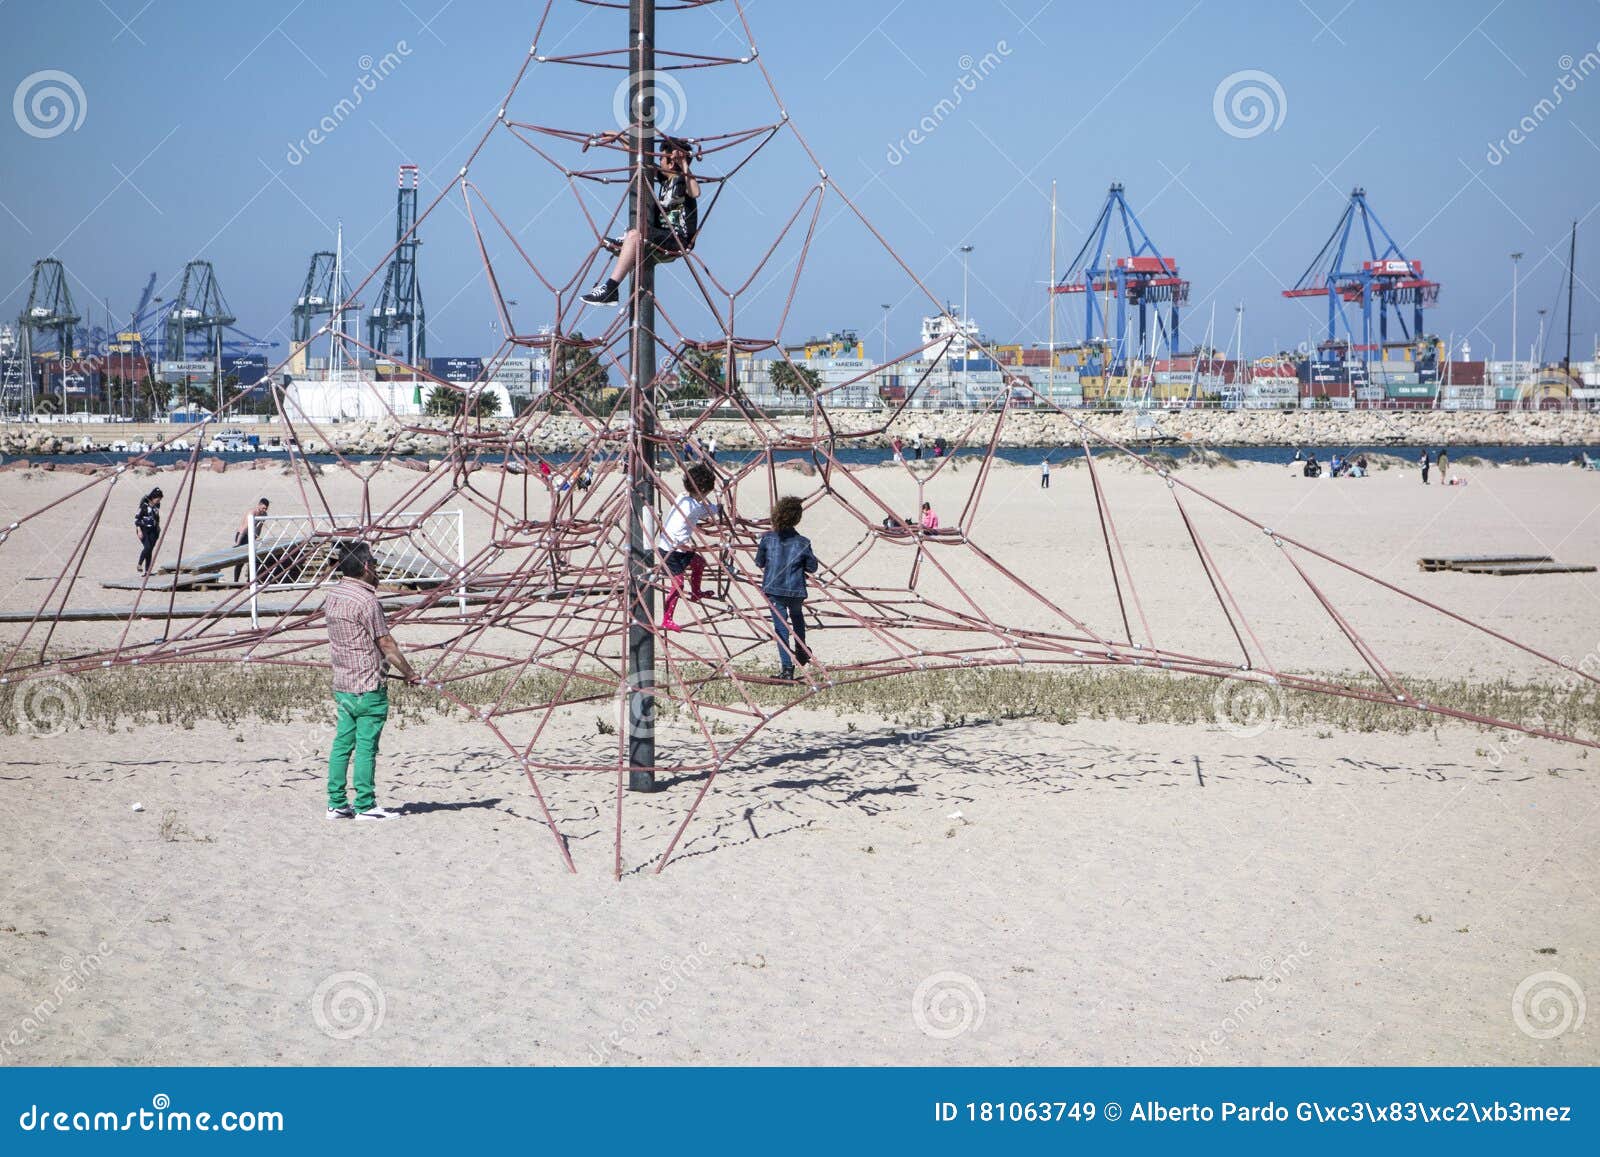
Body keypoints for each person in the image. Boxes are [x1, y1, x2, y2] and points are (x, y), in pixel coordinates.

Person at [323, 545, 419, 822]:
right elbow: (386, 643)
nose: (376, 569)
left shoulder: (333, 594)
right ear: (366, 567)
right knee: (366, 746)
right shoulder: (367, 601)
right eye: (374, 564)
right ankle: (365, 805)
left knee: (342, 743)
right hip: (368, 685)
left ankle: (336, 804)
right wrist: (410, 673)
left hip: (343, 683)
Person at [583, 136, 700, 305]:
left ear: (671, 162)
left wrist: (683, 164)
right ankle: (628, 243)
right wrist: (615, 135)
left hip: (678, 239)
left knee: (634, 236)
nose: (659, 161)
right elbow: (639, 157)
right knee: (633, 234)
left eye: (661, 157)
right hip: (661, 234)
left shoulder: (683, 180)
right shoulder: (666, 179)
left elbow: (695, 192)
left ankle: (611, 289)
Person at [755, 496, 819, 681]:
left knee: (781, 628)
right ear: (796, 518)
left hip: (774, 590)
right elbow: (812, 567)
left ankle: (787, 669)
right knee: (797, 616)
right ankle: (801, 649)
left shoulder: (768, 539)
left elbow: (759, 561)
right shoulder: (803, 542)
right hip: (796, 590)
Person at [657, 462, 721, 632]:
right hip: (670, 549)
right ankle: (667, 619)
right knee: (678, 584)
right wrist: (684, 545)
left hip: (676, 546)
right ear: (704, 490)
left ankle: (696, 592)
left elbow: (706, 509)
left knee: (699, 563)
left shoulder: (683, 497)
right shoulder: (693, 507)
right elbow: (708, 510)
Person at [232, 497, 270, 583]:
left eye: (266, 508)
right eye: (263, 508)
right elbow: (244, 528)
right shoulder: (252, 513)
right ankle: (235, 581)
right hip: (242, 535)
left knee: (252, 559)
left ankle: (249, 580)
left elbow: (259, 528)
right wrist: (238, 543)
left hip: (251, 536)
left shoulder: (264, 515)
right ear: (259, 505)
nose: (264, 510)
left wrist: (256, 537)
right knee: (240, 560)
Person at [134, 488, 163, 575]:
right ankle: (139, 564)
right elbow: (136, 519)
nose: (159, 501)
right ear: (153, 497)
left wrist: (158, 527)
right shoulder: (144, 506)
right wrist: (139, 531)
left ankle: (147, 571)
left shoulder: (157, 506)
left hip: (154, 530)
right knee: (147, 547)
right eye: (158, 499)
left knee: (150, 550)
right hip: (143, 529)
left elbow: (156, 517)